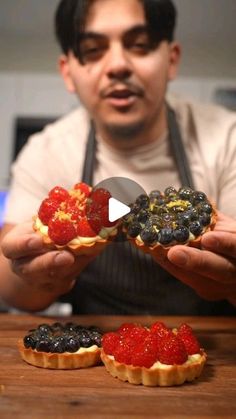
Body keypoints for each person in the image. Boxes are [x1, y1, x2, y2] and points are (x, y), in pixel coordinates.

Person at [0, 0, 235, 315]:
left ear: (172, 60)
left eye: (140, 45)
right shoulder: (45, 151)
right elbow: (10, 288)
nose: (118, 65)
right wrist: (41, 278)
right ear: (67, 72)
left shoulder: (227, 139)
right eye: (93, 50)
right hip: (95, 351)